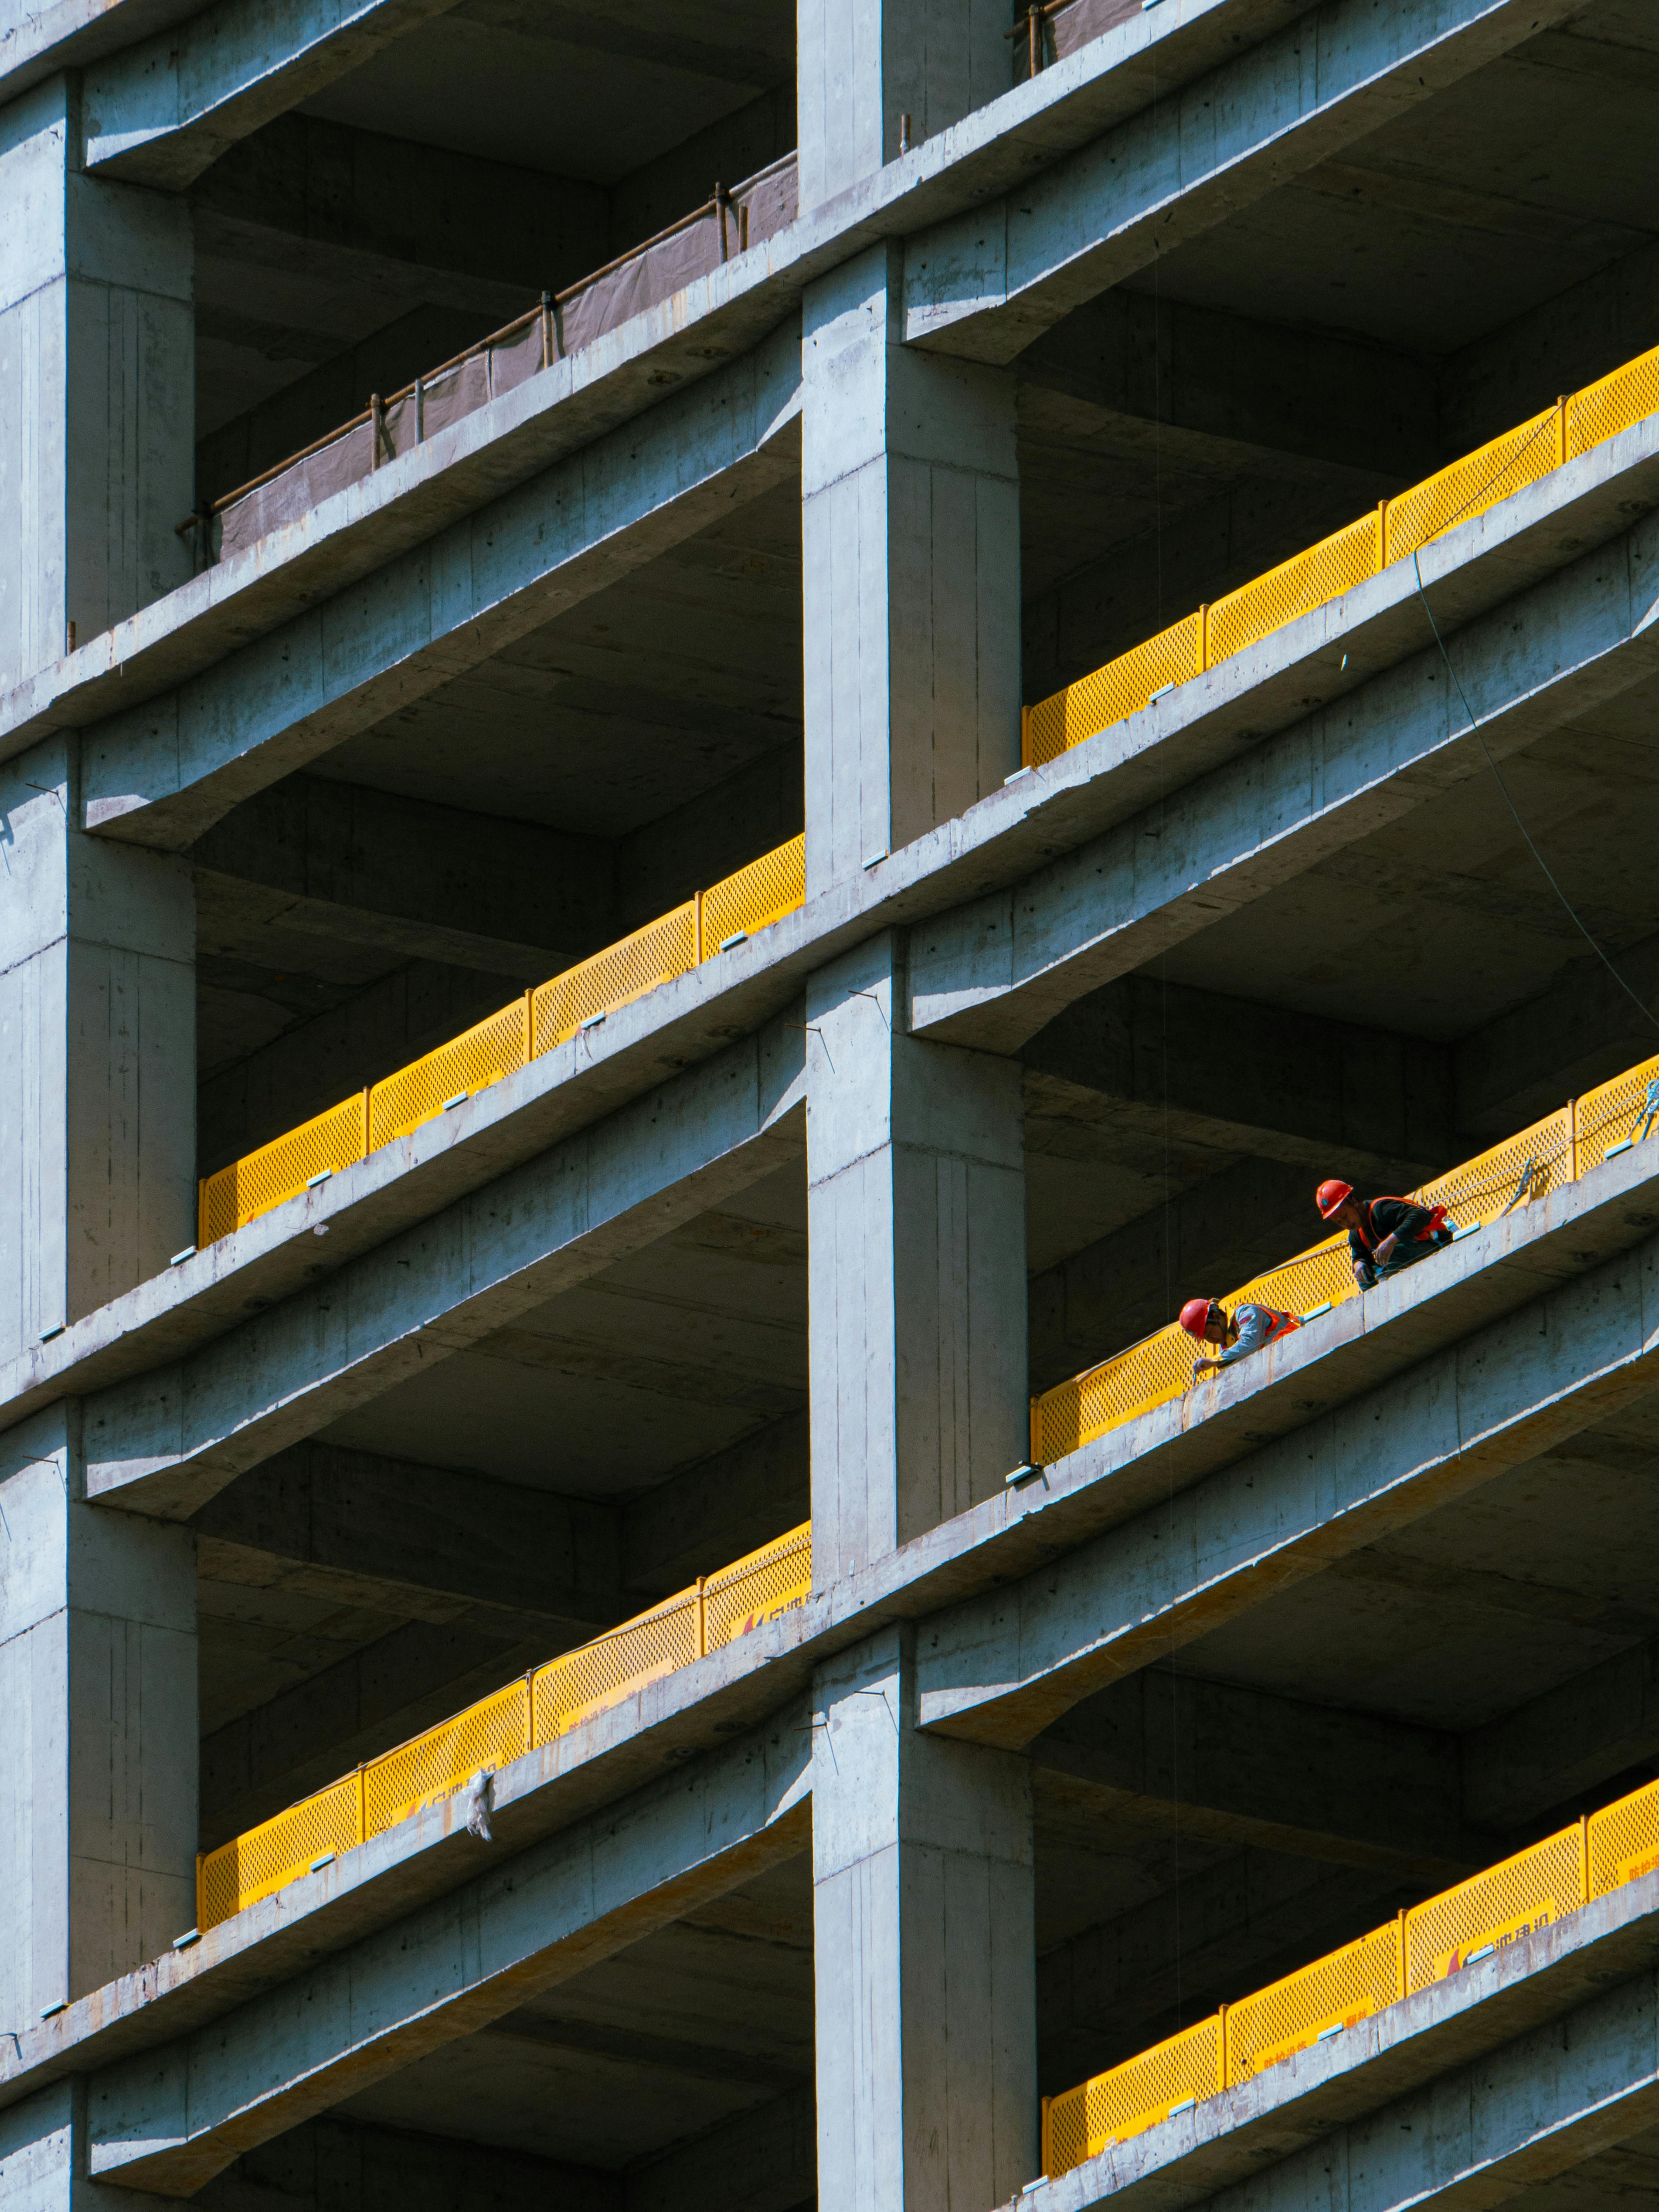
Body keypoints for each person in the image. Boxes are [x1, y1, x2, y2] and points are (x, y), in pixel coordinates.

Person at [1316, 1181, 1452, 1289]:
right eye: (1339, 1222)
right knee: (1365, 1276)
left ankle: (1389, 1283)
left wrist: (1391, 1241)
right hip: (1403, 1260)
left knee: (1393, 1253)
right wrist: (1359, 1265)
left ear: (1353, 1200)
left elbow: (1420, 1216)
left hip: (1434, 1245)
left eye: (1345, 1217)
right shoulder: (1356, 1234)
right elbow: (1359, 1256)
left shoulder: (1381, 1209)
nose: (1346, 1224)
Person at [1179, 1296, 1300, 1380]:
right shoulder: (1229, 1346)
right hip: (1281, 1366)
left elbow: (1250, 1343)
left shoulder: (1245, 1312)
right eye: (1205, 1338)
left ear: (1216, 1317)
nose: (1210, 1339)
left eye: (1209, 1332)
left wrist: (1215, 1361)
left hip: (1296, 1348)